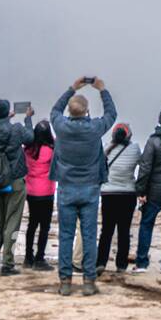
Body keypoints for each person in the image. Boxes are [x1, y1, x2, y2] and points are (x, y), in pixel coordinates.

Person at [50, 77, 117, 296]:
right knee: (89, 235)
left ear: (71, 111)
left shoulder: (61, 126)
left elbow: (54, 110)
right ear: (87, 111)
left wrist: (72, 88)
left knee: (66, 236)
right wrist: (102, 90)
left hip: (67, 187)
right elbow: (111, 115)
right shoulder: (94, 128)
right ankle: (88, 281)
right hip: (89, 188)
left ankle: (65, 282)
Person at [0, 98, 36, 275]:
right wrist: (27, 118)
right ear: (8, 112)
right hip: (15, 180)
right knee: (12, 222)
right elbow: (30, 138)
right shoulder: (16, 128)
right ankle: (8, 263)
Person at [133, 103, 161, 275]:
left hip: (154, 192)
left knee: (146, 225)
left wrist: (141, 191)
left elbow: (145, 167)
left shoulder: (153, 140)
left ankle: (142, 262)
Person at [97, 122, 141, 273]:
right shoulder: (134, 149)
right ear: (128, 135)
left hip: (109, 194)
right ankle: (121, 265)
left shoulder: (106, 149)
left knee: (106, 230)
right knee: (124, 231)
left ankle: (101, 262)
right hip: (127, 194)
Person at [24, 120, 55, 270]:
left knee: (32, 224)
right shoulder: (50, 150)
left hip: (31, 191)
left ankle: (28, 257)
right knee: (44, 226)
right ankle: (39, 257)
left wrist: (28, 120)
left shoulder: (28, 150)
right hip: (46, 192)